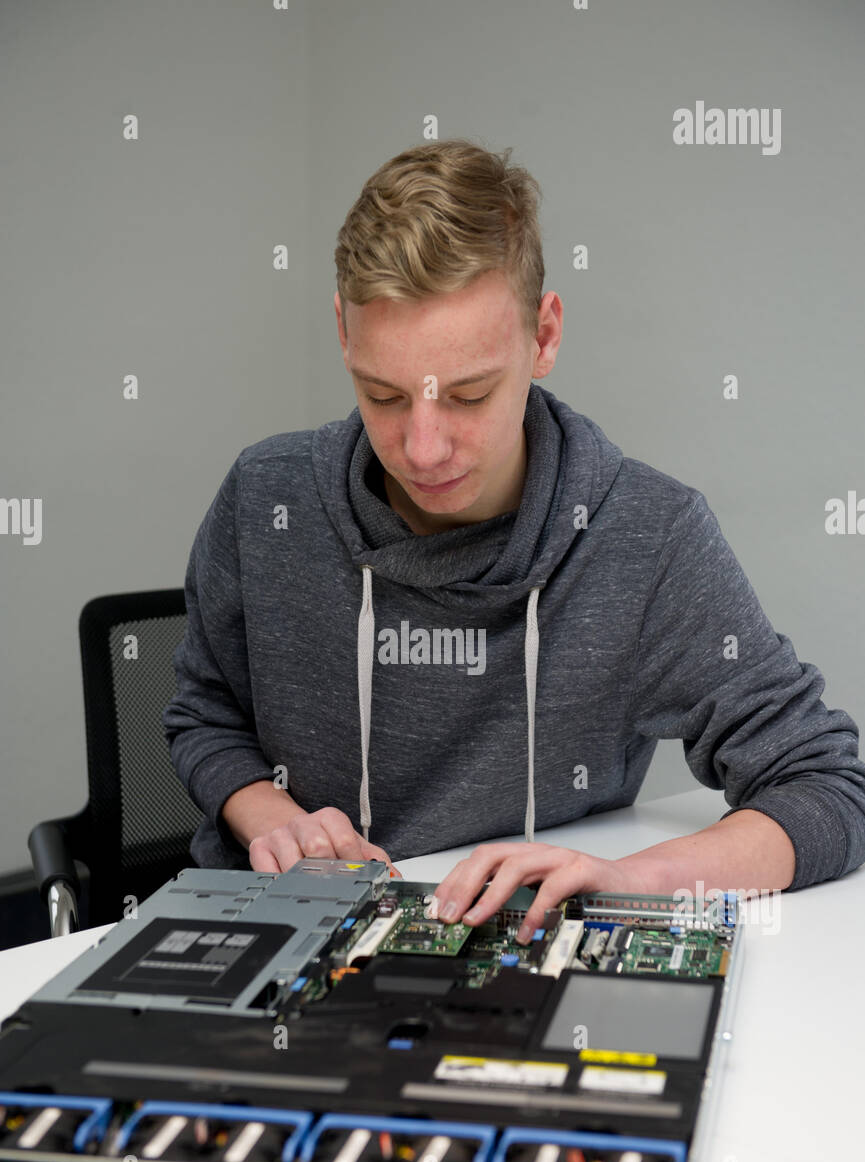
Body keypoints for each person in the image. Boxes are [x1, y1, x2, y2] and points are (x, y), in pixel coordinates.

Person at [163, 138, 865, 945]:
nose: (423, 448)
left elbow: (825, 789)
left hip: (514, 943)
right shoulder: (265, 496)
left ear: (545, 335)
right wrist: (270, 816)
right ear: (342, 334)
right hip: (271, 932)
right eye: (383, 395)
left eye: (468, 395)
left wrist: (632, 879)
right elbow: (204, 713)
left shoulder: (646, 536)